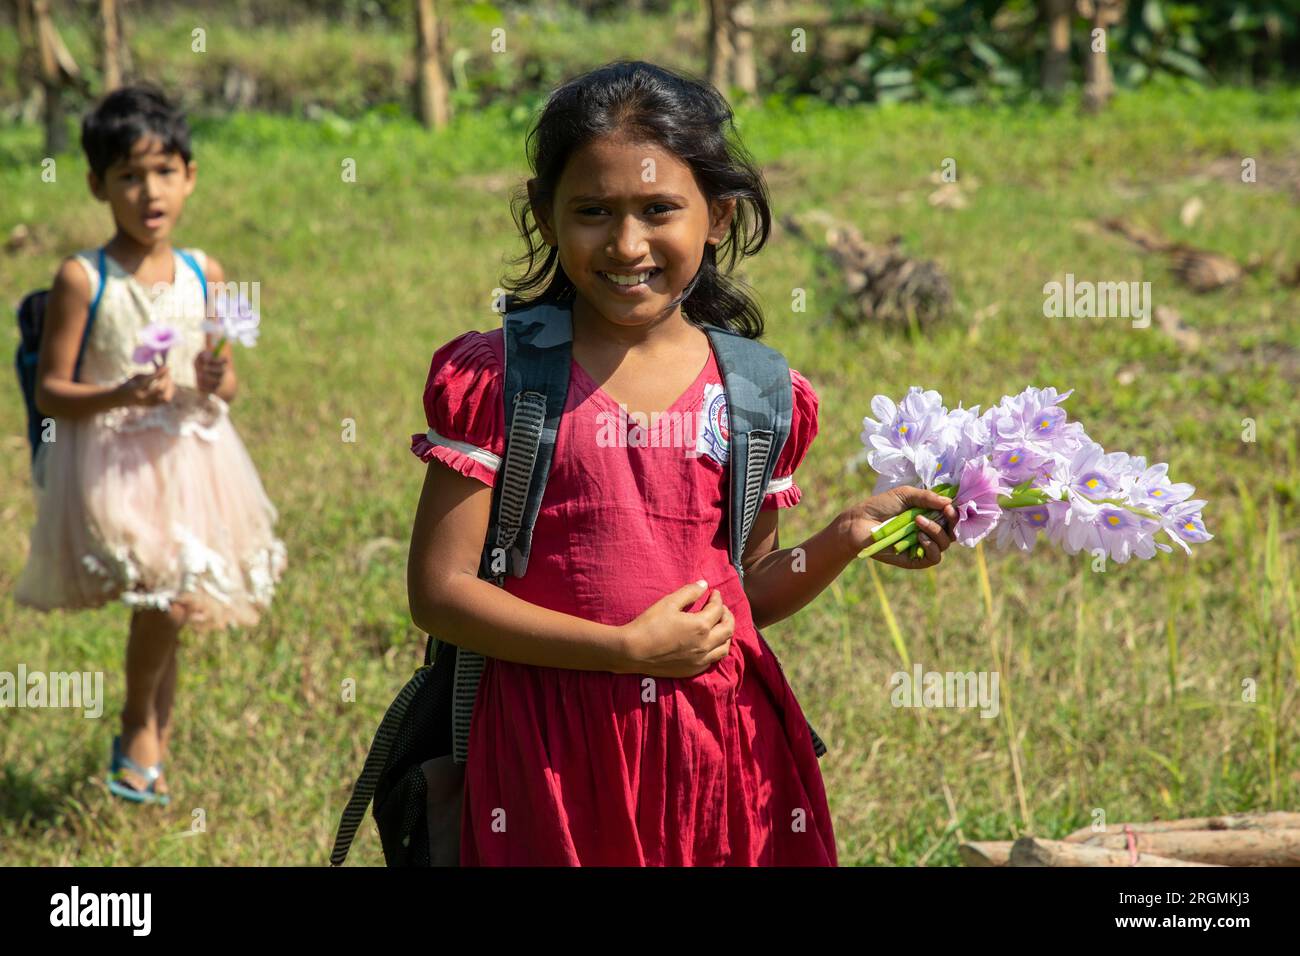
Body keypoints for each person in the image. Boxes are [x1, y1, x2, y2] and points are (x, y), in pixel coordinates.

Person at [406, 61, 957, 865]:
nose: (627, 244)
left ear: (719, 217)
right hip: (551, 751)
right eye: (592, 211)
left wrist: (844, 535)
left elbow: (743, 596)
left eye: (659, 210)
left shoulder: (761, 392)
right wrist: (623, 651)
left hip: (718, 751)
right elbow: (440, 594)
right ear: (544, 213)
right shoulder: (498, 382)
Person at [14, 84, 287, 805]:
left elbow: (227, 389)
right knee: (163, 602)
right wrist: (121, 392)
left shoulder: (209, 272)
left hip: (196, 459)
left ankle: (150, 754)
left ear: (191, 176)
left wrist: (218, 375)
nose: (149, 192)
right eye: (129, 176)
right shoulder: (83, 278)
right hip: (115, 461)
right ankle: (139, 724)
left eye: (165, 171)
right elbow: (51, 392)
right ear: (97, 184)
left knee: (176, 601)